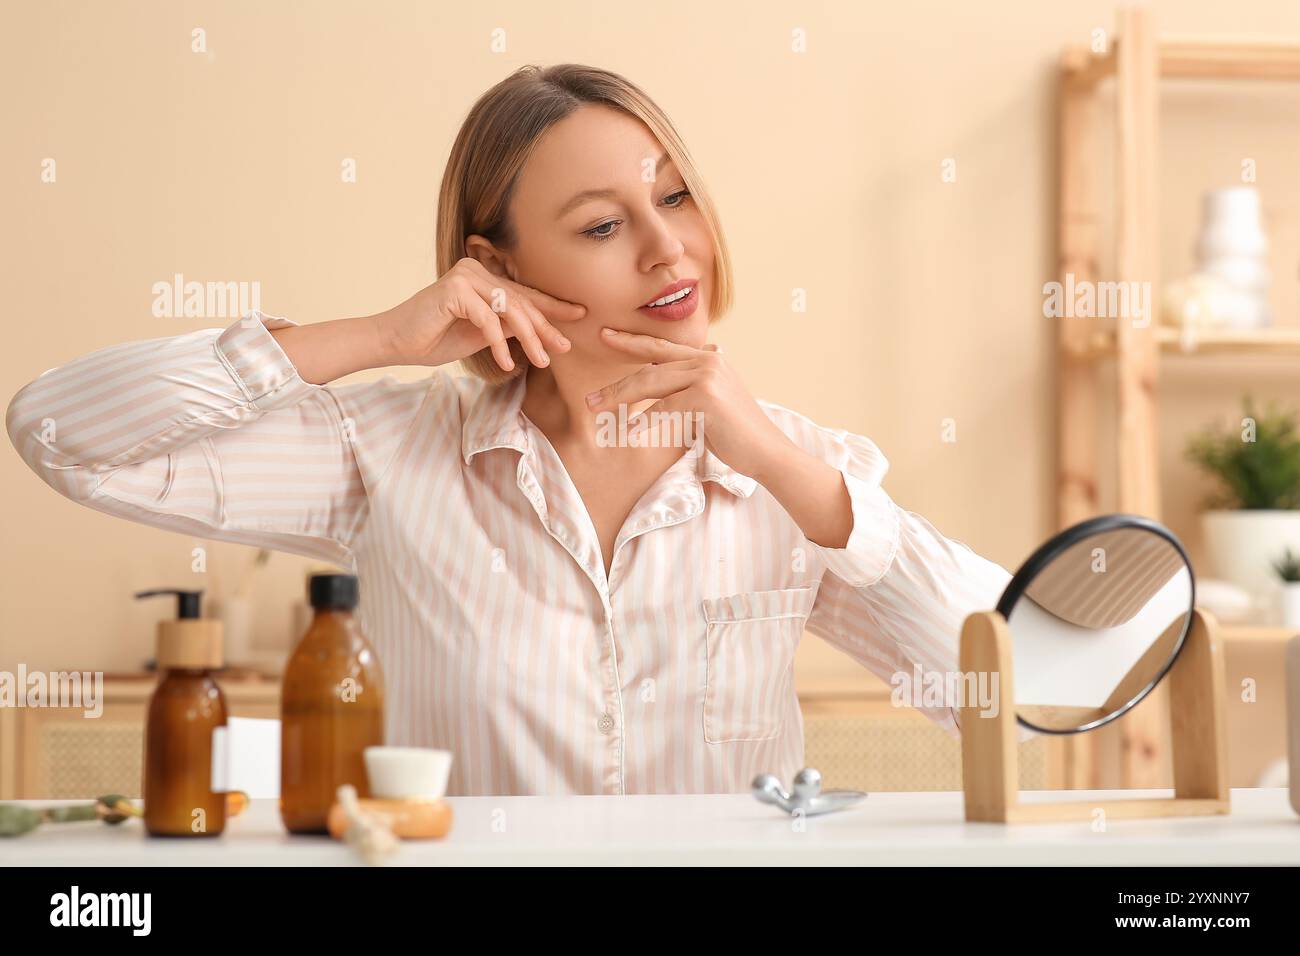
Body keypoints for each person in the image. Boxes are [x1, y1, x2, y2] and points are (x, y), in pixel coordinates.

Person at [6, 64, 1020, 797]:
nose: (671, 248)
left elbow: (1017, 693)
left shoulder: (795, 474)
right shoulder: (387, 453)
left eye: (673, 196)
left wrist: (782, 467)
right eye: (601, 224)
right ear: (500, 268)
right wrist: (371, 336)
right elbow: (60, 431)